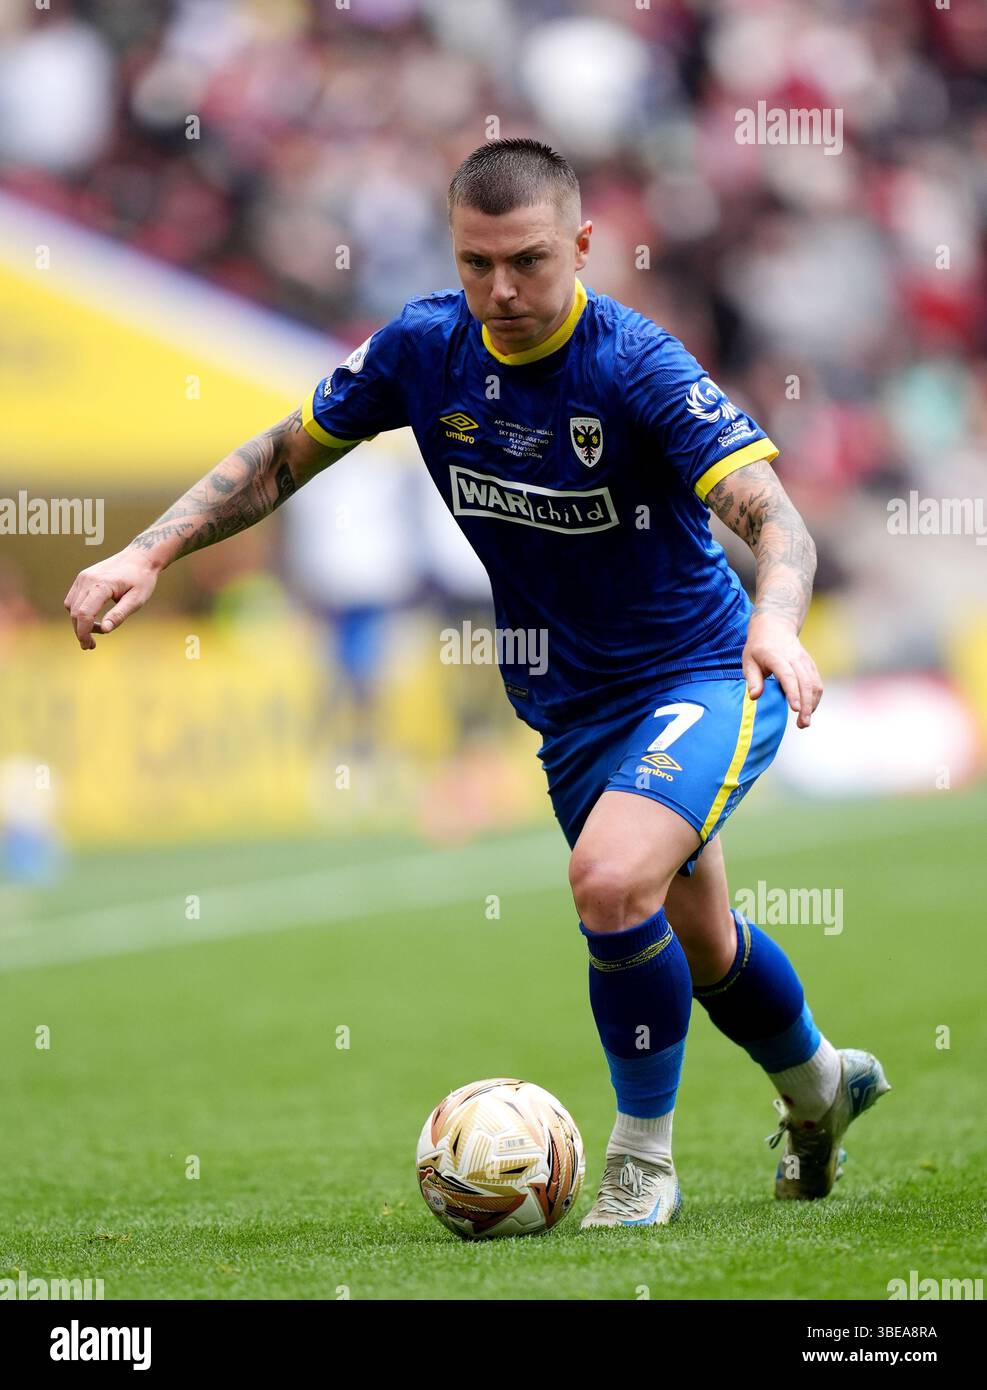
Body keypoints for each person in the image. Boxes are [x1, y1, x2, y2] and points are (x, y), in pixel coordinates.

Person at [64, 138, 890, 1228]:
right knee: (704, 943)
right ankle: (822, 1085)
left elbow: (773, 515)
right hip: (568, 705)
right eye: (476, 264)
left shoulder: (636, 364)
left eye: (530, 262)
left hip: (702, 673)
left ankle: (641, 1158)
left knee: (608, 884)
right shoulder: (423, 349)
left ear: (584, 245)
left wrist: (778, 621)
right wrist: (148, 552)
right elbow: (280, 455)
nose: (501, 290)